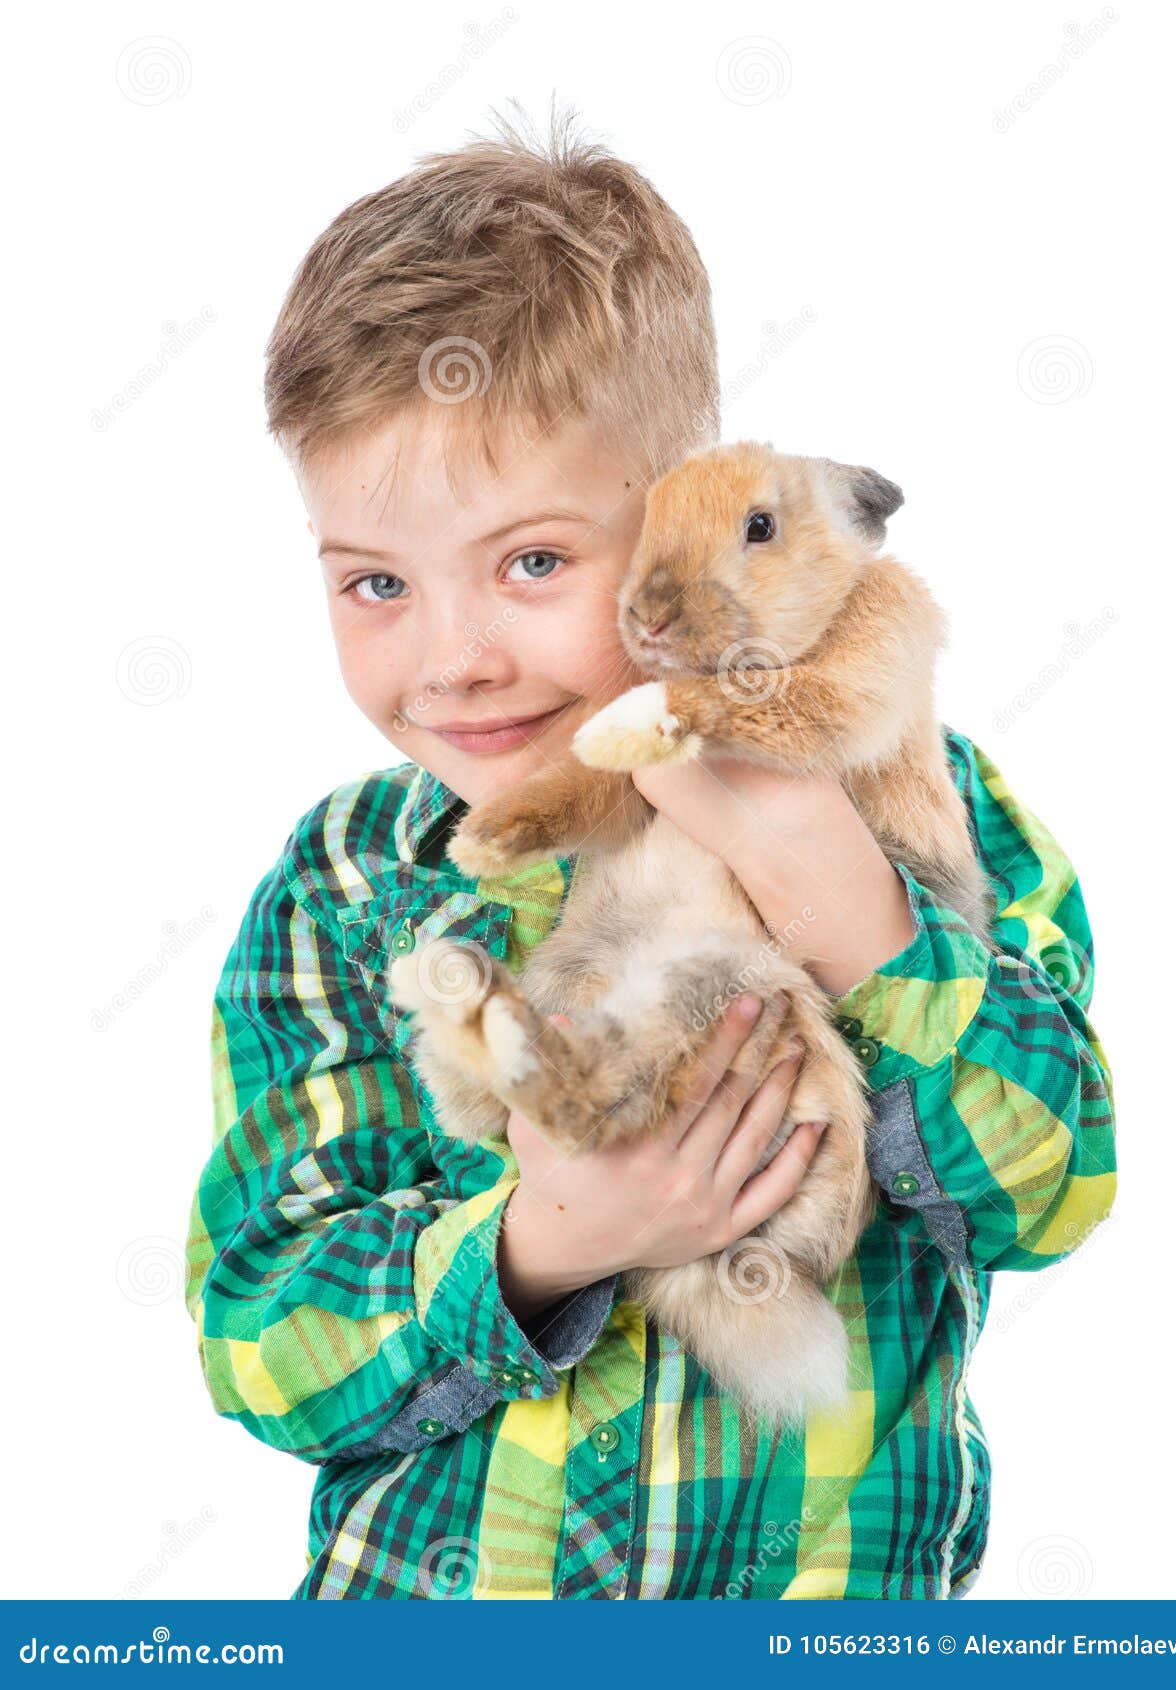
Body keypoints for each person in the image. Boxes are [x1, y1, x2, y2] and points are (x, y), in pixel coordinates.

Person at [184, 108, 1116, 1601]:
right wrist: (550, 1241)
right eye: (375, 583)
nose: (453, 659)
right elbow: (258, 1336)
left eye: (533, 561)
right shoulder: (351, 880)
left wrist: (828, 877)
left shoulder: (921, 794)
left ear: (690, 509)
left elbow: (1047, 1185)